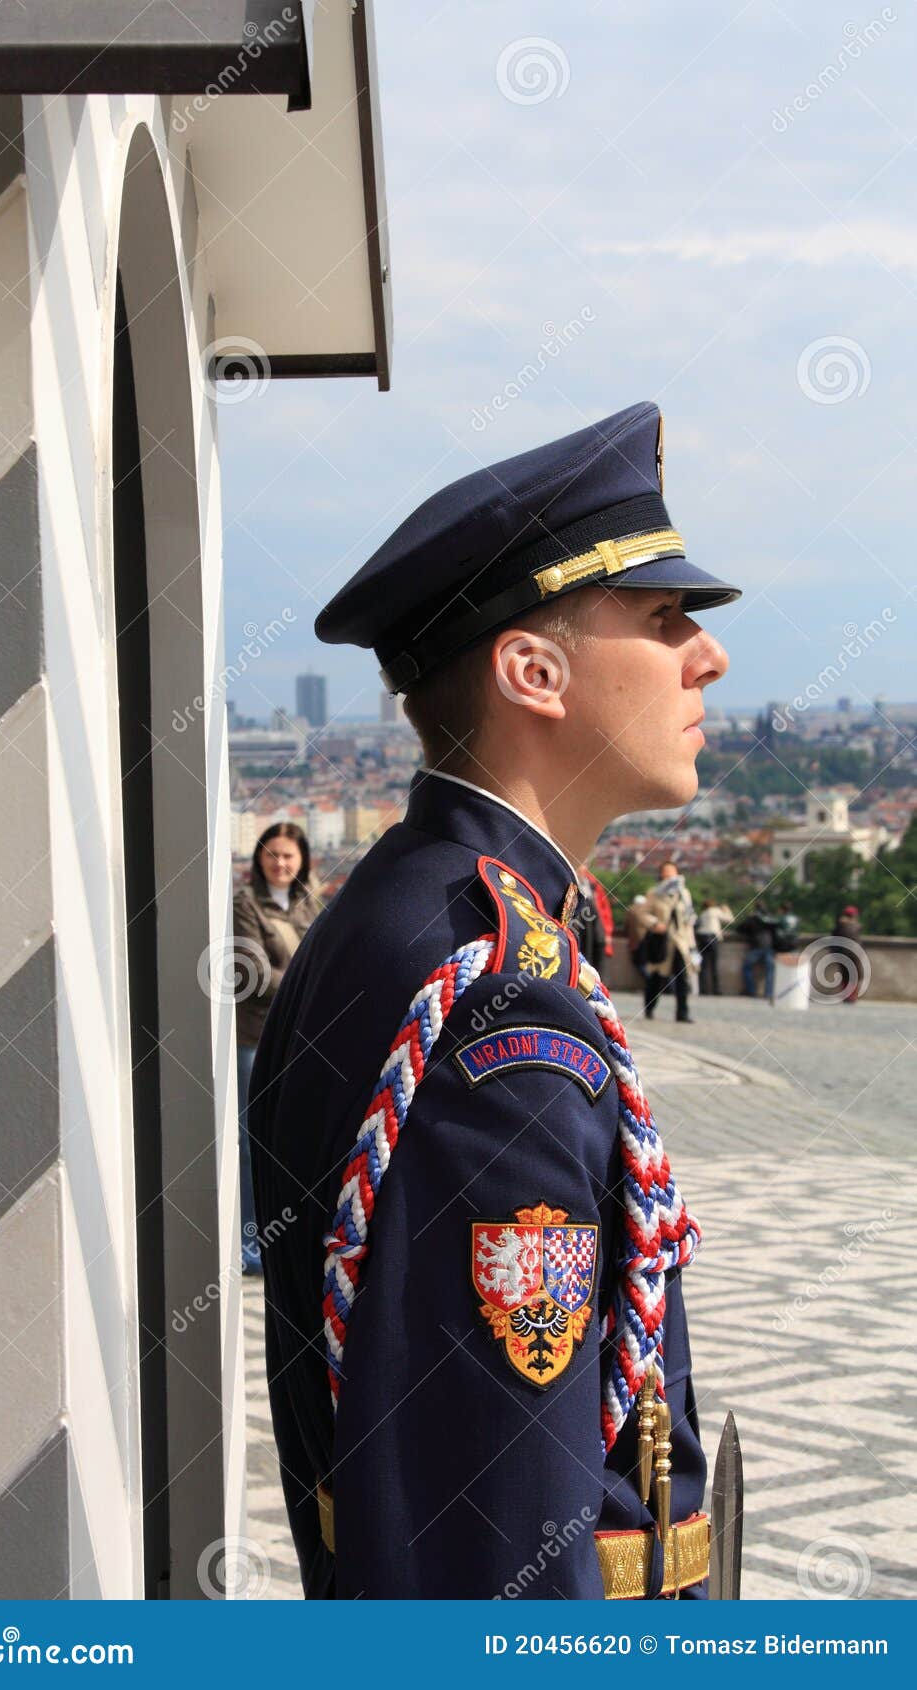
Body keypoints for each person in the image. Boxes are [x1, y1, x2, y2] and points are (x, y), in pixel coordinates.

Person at [248, 400, 740, 1599]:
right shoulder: (490, 1006)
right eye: (664, 618)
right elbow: (490, 1543)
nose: (707, 656)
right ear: (532, 671)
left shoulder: (426, 910)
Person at [232, 822, 323, 1271]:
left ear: (303, 859)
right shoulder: (244, 904)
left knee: (298, 1136)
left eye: (288, 855)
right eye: (272, 854)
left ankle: (289, 1241)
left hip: (304, 1038)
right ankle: (252, 1246)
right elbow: (252, 970)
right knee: (252, 1141)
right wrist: (313, 987)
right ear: (258, 859)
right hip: (256, 1037)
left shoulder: (312, 905)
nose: (280, 863)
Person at [639, 860, 699, 1023]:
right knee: (657, 977)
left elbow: (689, 919)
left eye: (672, 871)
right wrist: (654, 923)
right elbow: (642, 913)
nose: (669, 875)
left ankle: (682, 1012)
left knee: (682, 976)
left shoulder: (684, 894)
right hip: (662, 941)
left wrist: (692, 945)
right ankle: (649, 1007)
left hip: (680, 941)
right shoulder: (654, 893)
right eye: (666, 872)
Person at [694, 897, 733, 996]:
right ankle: (716, 989)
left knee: (703, 965)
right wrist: (726, 909)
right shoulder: (715, 911)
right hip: (712, 938)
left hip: (701, 938)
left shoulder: (703, 913)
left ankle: (703, 989)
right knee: (713, 965)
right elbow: (730, 920)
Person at [740, 902, 777, 1000]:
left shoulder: (753, 918)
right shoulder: (770, 918)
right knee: (770, 970)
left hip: (756, 947)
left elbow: (740, 928)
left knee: (747, 967)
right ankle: (768, 993)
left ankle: (751, 991)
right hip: (768, 947)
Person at [831, 903, 864, 1003]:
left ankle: (847, 996)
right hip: (854, 953)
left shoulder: (839, 925)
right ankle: (851, 996)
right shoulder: (855, 925)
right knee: (855, 975)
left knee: (846, 975)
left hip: (842, 953)